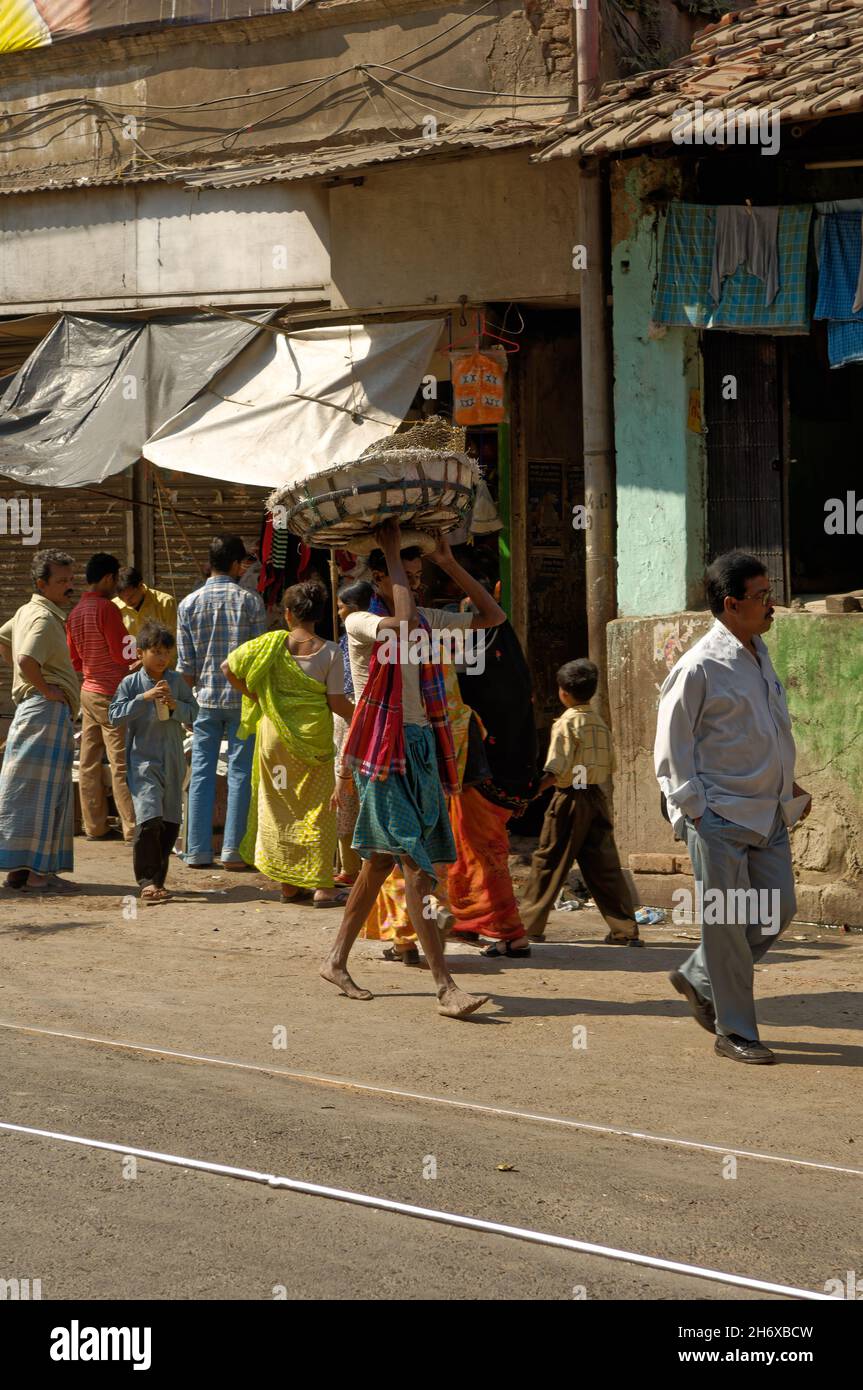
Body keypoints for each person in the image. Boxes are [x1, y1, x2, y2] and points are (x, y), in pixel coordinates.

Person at [320, 519, 506, 1019]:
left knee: (380, 863)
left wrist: (449, 562)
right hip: (382, 752)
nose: (417, 585)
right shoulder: (359, 621)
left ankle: (335, 960)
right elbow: (398, 628)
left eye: (420, 578)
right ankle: (445, 986)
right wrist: (393, 554)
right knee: (414, 867)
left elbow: (492, 615)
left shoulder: (422, 616)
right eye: (408, 576)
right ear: (381, 578)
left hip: (420, 746)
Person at [655, 550, 811, 1066]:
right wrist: (693, 810)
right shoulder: (697, 666)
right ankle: (735, 1030)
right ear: (730, 603)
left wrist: (787, 787)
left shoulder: (757, 651)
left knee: (778, 908)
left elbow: (766, 731)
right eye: (762, 596)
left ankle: (700, 975)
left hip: (768, 813)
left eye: (770, 594)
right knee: (727, 923)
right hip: (718, 815)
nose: (772, 605)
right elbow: (671, 746)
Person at [222, 581, 354, 905]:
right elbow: (337, 703)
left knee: (279, 808)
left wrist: (260, 698)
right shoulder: (331, 652)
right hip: (314, 742)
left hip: (274, 742)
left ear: (288, 614)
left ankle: (288, 884)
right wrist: (365, 716)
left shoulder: (269, 644)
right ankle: (323, 885)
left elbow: (227, 667)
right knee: (317, 811)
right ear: (319, 615)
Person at [520, 659, 643, 946]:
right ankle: (625, 930)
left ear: (563, 692)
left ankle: (528, 926)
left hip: (570, 798)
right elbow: (609, 765)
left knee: (549, 860)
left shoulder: (566, 723)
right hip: (595, 796)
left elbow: (555, 769)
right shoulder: (599, 722)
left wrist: (533, 793)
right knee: (604, 865)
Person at [176, 535, 267, 869]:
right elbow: (259, 659)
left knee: (201, 772)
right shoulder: (250, 601)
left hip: (204, 701)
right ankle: (233, 851)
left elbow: (185, 667)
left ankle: (197, 850)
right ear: (234, 564)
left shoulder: (187, 604)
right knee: (241, 773)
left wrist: (184, 705)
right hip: (243, 699)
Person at [0, 550, 80, 894]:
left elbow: (4, 638)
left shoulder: (27, 611)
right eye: (61, 580)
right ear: (41, 584)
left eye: (70, 579)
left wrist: (30, 683)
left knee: (24, 792)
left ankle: (21, 870)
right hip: (44, 712)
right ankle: (36, 874)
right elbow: (24, 658)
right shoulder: (43, 618)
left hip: (34, 711)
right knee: (44, 794)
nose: (69, 586)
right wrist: (44, 688)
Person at [109, 623, 198, 906]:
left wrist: (175, 706)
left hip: (172, 761)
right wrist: (143, 698)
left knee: (170, 821)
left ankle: (158, 881)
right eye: (156, 652)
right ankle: (146, 881)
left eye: (166, 652)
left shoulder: (176, 681)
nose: (162, 658)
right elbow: (114, 716)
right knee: (149, 819)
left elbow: (194, 712)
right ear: (142, 653)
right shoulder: (131, 683)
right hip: (143, 762)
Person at [66, 552, 138, 843]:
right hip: (110, 694)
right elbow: (123, 652)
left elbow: (73, 660)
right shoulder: (107, 609)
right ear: (108, 578)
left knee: (88, 761)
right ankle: (132, 827)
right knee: (120, 763)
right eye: (117, 578)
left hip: (88, 691)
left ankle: (94, 826)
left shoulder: (75, 613)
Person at [333, 579, 374, 886]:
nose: (338, 612)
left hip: (353, 712)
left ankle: (353, 867)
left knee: (347, 788)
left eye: (341, 606)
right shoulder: (365, 632)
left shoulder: (357, 631)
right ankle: (354, 864)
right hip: (356, 711)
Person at [113, 567, 177, 657]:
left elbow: (173, 641)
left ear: (141, 586)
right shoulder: (114, 607)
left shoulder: (165, 603)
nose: (127, 602)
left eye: (131, 596)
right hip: (128, 669)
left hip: (162, 666)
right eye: (122, 598)